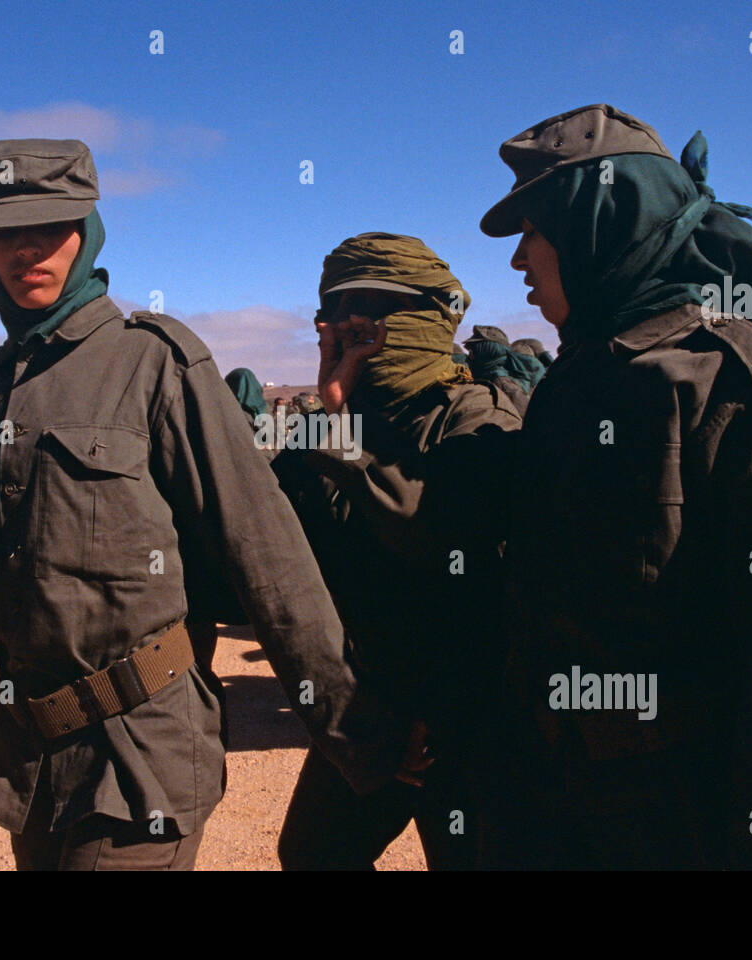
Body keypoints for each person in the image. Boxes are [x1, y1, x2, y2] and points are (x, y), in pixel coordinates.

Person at [0, 138, 411, 871]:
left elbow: (265, 554)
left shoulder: (154, 363)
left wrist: (359, 732)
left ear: (88, 231)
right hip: (32, 759)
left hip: (144, 753)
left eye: (49, 227)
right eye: (1, 232)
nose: (25, 250)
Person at [477, 104, 752, 869]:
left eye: (535, 229)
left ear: (599, 222)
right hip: (546, 807)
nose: (520, 259)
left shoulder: (743, 382)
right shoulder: (574, 379)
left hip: (674, 821)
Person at [274, 232, 522, 870]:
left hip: (466, 713)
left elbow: (439, 536)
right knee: (312, 855)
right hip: (371, 706)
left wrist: (340, 442)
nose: (343, 346)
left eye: (361, 328)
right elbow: (284, 545)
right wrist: (325, 421)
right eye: (332, 327)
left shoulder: (480, 417)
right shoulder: (346, 418)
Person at [462, 325, 540, 414]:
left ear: (488, 353)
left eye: (472, 353)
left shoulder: (506, 388)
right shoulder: (488, 381)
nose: (467, 359)